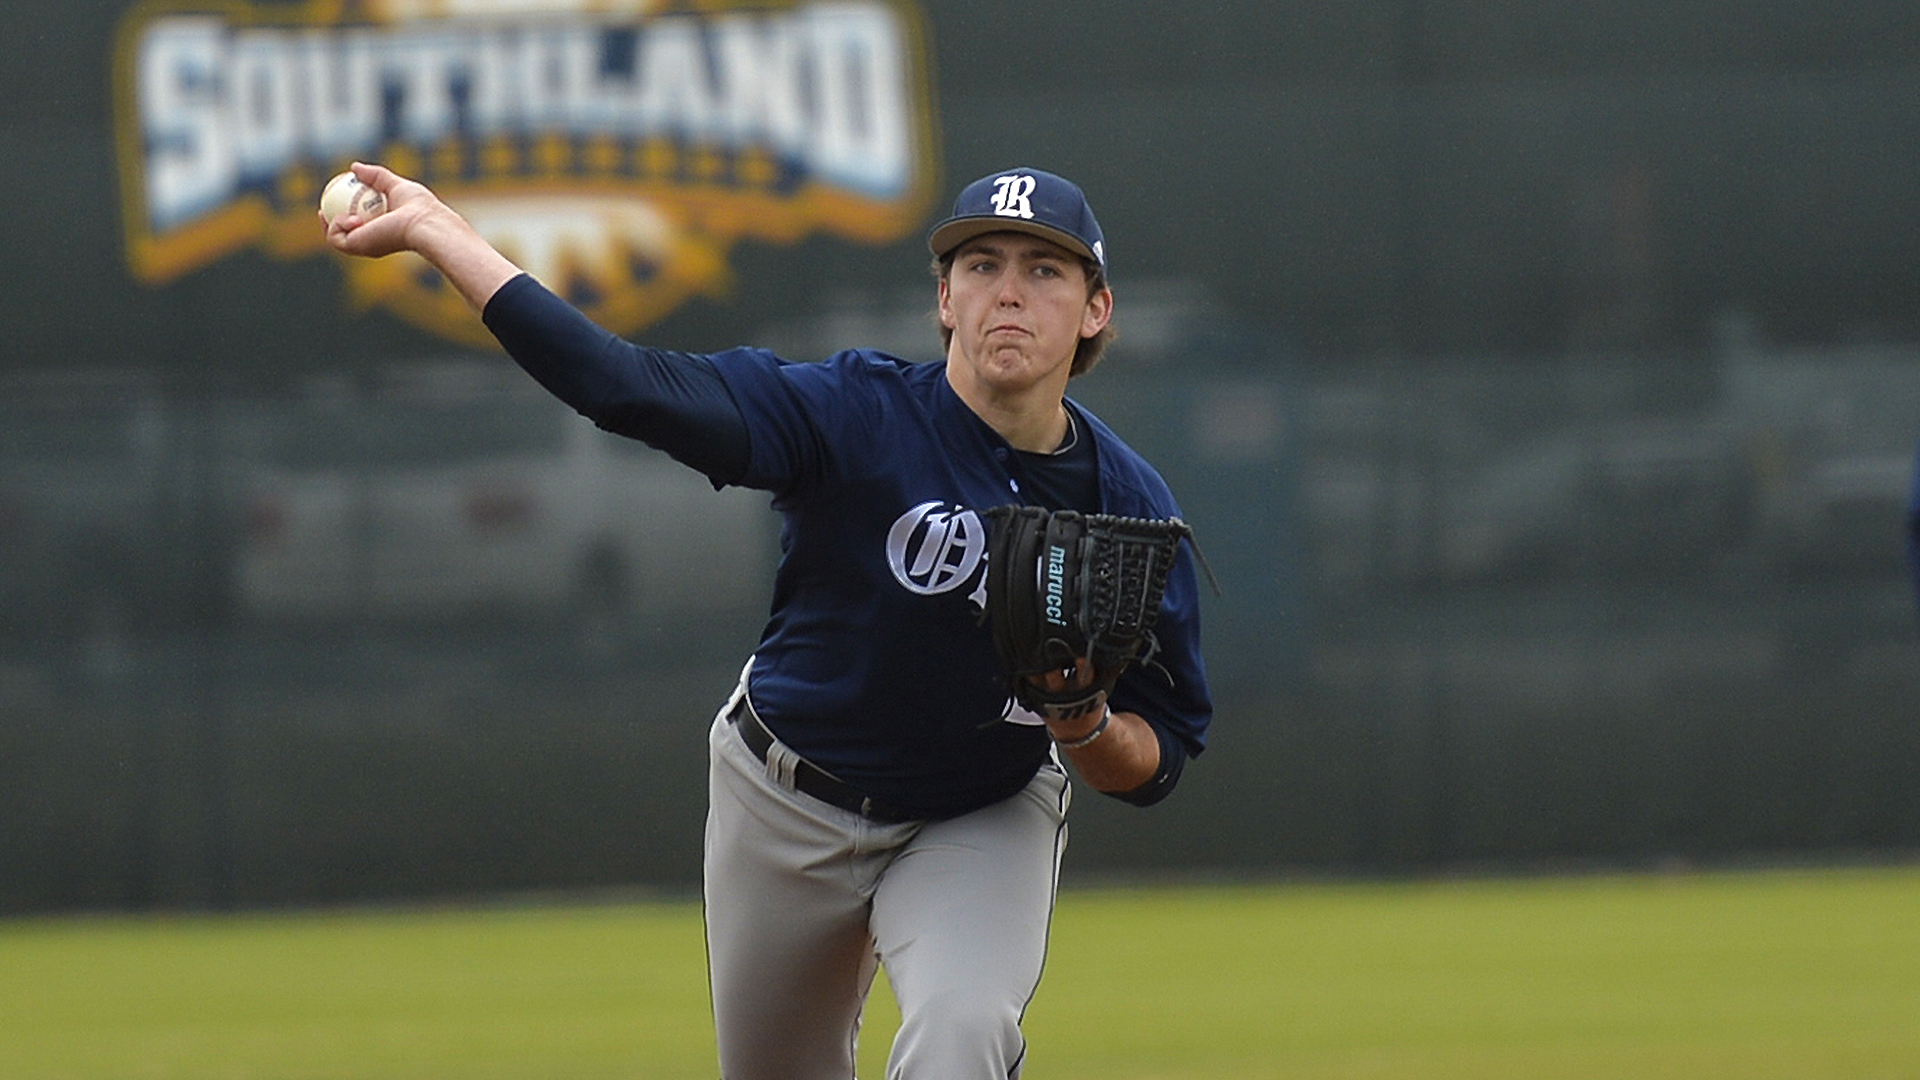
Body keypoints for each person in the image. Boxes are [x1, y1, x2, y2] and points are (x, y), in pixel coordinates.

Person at [324, 162, 1213, 1079]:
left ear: (1096, 310)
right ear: (945, 298)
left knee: (964, 1034)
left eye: (1045, 270)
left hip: (978, 812)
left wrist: (1086, 726)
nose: (1009, 294)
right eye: (981, 266)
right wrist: (441, 234)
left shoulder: (1128, 508)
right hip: (786, 801)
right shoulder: (851, 414)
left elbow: (1161, 755)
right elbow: (623, 385)